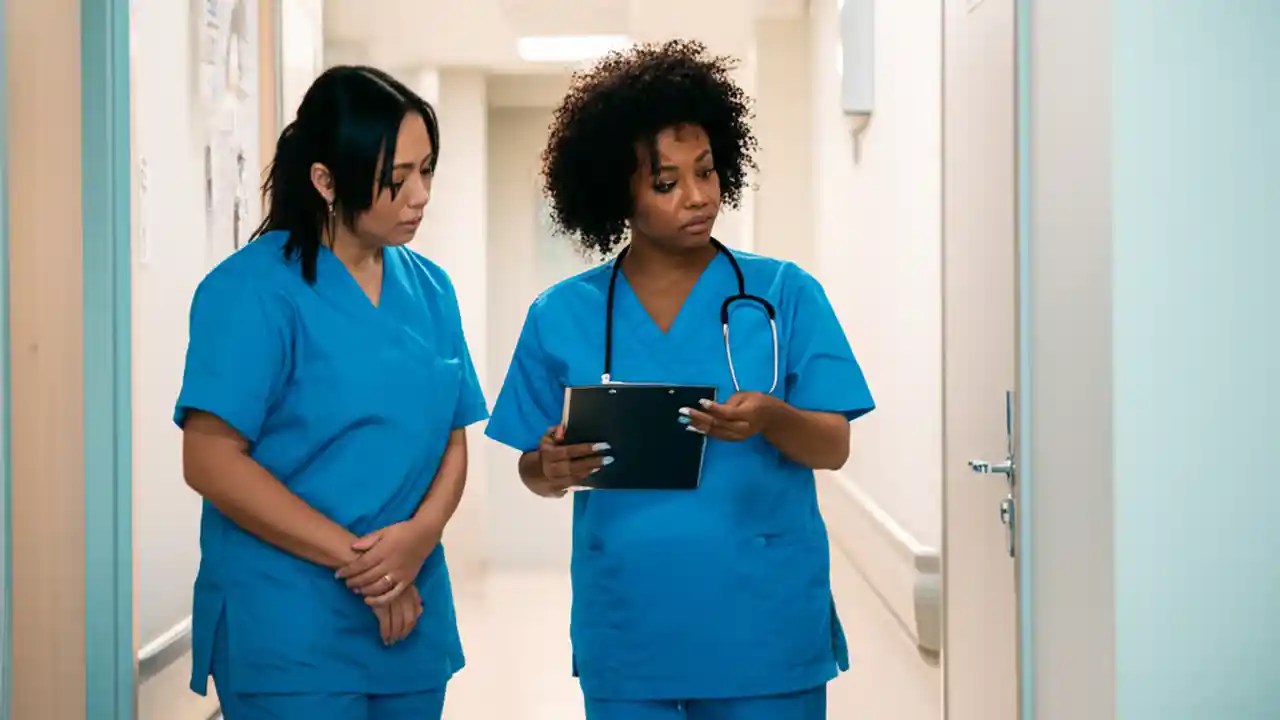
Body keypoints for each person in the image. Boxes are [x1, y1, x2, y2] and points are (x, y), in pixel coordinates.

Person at [484, 40, 876, 720]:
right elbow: (532, 470)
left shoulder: (784, 294)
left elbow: (833, 446)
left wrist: (772, 419)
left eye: (706, 171)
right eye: (666, 183)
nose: (697, 197)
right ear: (616, 194)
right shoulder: (562, 315)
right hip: (630, 627)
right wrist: (548, 466)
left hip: (763, 626)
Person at [174, 65, 488, 720]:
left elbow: (453, 438)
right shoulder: (251, 292)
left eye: (427, 169)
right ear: (324, 180)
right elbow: (210, 460)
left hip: (410, 616)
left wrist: (421, 536)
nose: (419, 195)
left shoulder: (431, 290)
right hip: (290, 619)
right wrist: (368, 566)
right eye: (396, 178)